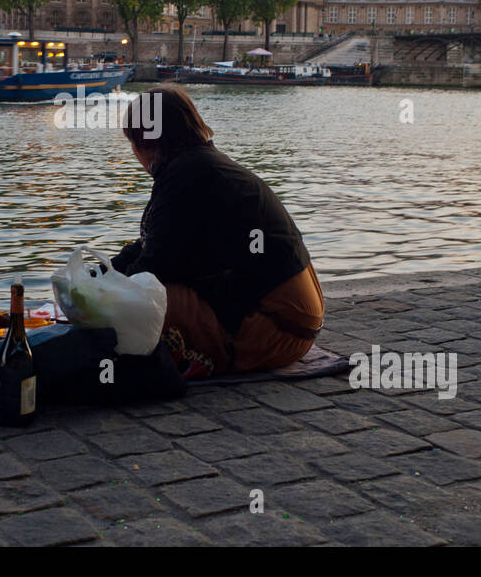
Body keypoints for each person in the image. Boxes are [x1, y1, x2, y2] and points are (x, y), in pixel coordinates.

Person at [112, 84, 324, 379]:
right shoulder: (198, 167)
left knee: (138, 303)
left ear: (143, 141)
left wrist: (104, 293)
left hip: (275, 329)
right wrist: (106, 270)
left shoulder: (188, 176)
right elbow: (155, 243)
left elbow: (154, 266)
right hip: (291, 322)